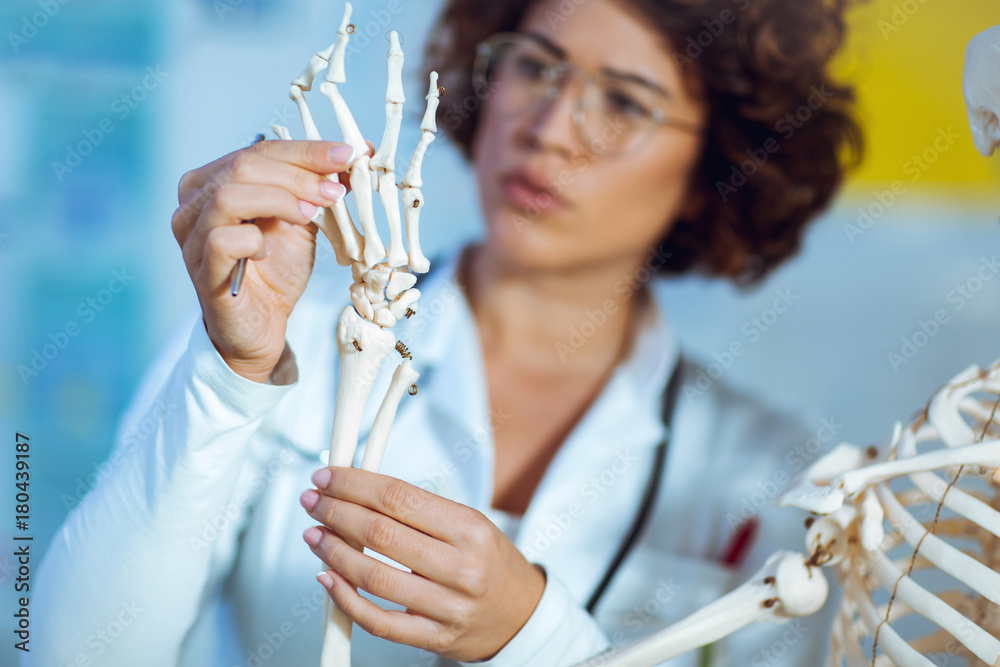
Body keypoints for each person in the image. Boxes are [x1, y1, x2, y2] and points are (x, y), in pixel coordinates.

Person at [31, 0, 861, 664]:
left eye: (623, 103)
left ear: (711, 168)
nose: (551, 126)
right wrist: (231, 375)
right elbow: (75, 652)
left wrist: (532, 635)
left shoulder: (770, 473)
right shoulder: (282, 337)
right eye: (535, 67)